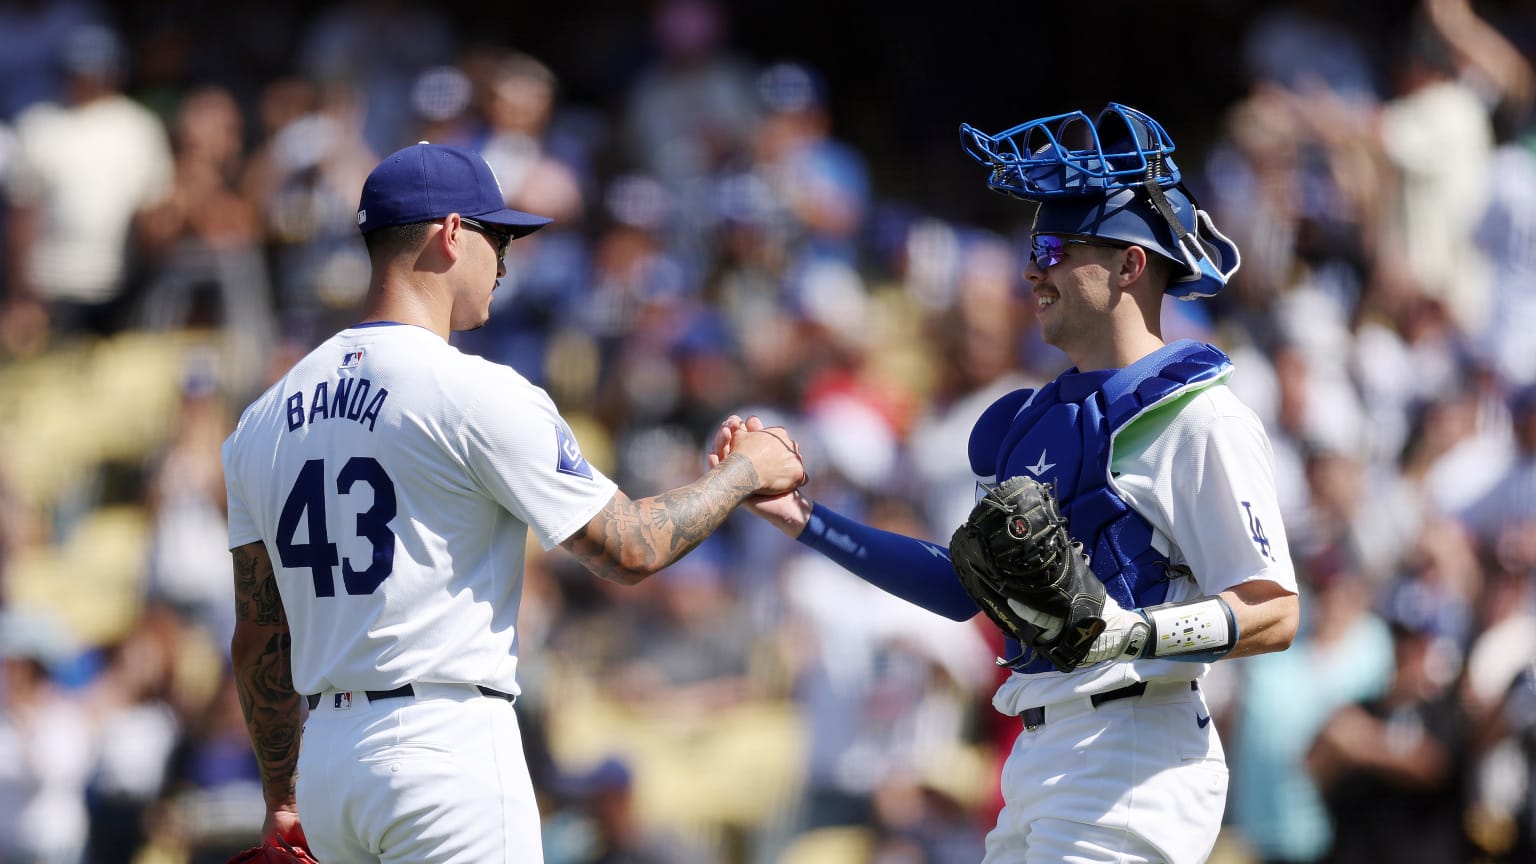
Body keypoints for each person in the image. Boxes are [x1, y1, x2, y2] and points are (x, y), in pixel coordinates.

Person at [713, 104, 1300, 864]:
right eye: (1033, 248)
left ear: (1130, 264)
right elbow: (967, 589)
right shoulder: (1030, 421)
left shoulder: (1200, 418)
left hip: (1132, 754)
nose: (1034, 268)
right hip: (1041, 761)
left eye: (1057, 247)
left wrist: (1134, 632)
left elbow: (1274, 612)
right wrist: (803, 519)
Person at [222, 142, 807, 863]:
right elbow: (632, 548)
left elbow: (258, 636)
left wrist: (284, 791)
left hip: (330, 761)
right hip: (445, 747)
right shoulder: (473, 392)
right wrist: (743, 473)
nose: (505, 261)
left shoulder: (262, 418)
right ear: (451, 233)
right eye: (498, 238)